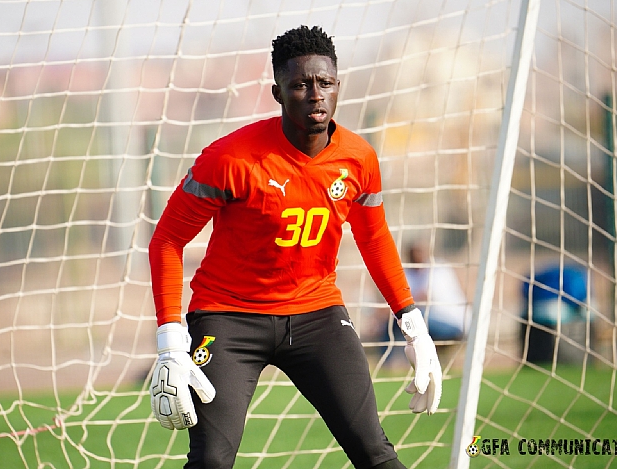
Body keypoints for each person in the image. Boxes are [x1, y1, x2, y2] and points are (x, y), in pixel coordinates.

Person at [148, 25, 442, 469]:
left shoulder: (359, 158)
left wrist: (413, 323)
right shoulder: (230, 159)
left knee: (375, 453)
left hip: (317, 315)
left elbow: (374, 238)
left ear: (338, 86)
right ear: (278, 93)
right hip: (229, 317)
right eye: (301, 84)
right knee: (211, 461)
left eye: (325, 82)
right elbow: (168, 240)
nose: (316, 95)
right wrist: (171, 341)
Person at [404, 243, 470, 342]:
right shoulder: (410, 273)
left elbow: (422, 297)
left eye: (419, 252)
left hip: (454, 323)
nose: (416, 255)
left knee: (410, 316)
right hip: (433, 321)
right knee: (403, 319)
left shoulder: (438, 269)